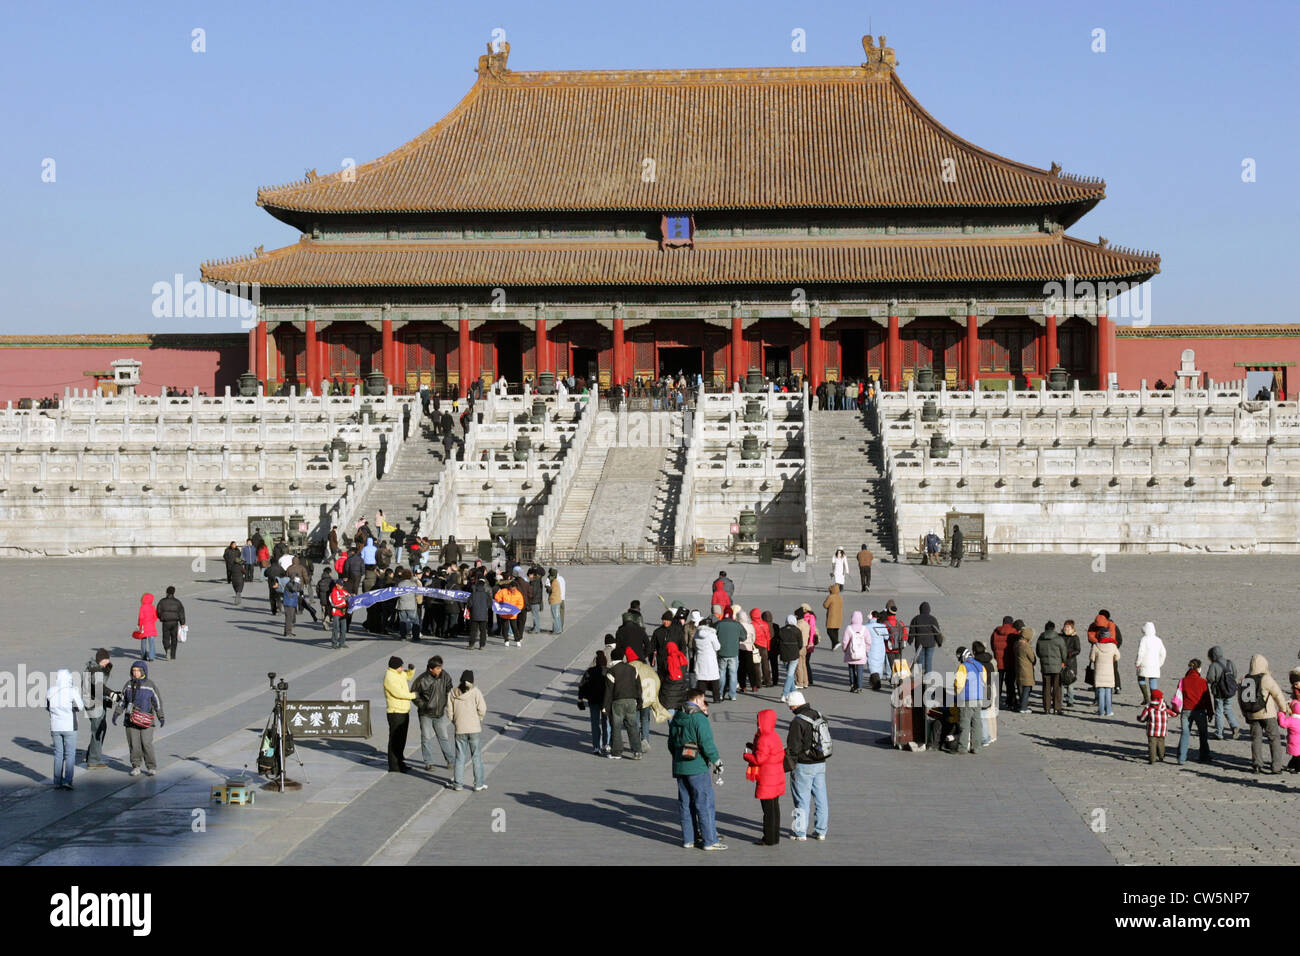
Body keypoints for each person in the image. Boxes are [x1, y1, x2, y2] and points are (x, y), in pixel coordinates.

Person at [668, 688, 726, 850]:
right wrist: (716, 761)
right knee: (704, 803)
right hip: (697, 766)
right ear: (697, 699)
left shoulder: (677, 717)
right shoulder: (699, 719)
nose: (703, 702)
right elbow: (706, 743)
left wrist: (679, 757)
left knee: (685, 804)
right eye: (702, 699)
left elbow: (671, 744)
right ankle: (710, 840)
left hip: (680, 766)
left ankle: (689, 839)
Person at [785, 691, 830, 841]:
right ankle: (821, 830)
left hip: (804, 765)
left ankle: (800, 832)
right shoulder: (819, 714)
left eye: (791, 706)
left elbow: (793, 747)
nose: (790, 709)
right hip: (820, 762)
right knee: (821, 798)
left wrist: (789, 763)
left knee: (801, 799)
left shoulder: (798, 721)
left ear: (795, 704)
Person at [743, 708, 787, 846]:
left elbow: (759, 759)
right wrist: (753, 746)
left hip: (767, 778)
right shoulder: (774, 735)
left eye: (759, 720)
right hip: (776, 777)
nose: (757, 723)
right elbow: (769, 753)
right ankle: (775, 837)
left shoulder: (763, 738)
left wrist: (747, 756)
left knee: (767, 811)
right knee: (774, 808)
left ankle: (768, 838)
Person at [112, 660, 164, 776]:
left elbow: (157, 702)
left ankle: (151, 767)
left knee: (146, 743)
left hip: (146, 720)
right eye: (134, 670)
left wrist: (161, 716)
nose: (135, 673)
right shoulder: (128, 685)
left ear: (143, 671)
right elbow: (123, 701)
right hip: (131, 720)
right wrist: (116, 714)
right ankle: (136, 766)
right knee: (134, 745)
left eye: (138, 671)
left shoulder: (150, 685)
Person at [1241, 654, 1288, 774]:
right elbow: (1277, 694)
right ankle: (1276, 766)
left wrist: (1245, 713)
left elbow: (1240, 699)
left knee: (1256, 739)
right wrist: (1283, 709)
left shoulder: (1244, 679)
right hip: (1267, 714)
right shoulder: (1266, 678)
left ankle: (1257, 764)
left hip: (1251, 714)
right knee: (1274, 739)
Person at [412, 656, 456, 773]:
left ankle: (451, 761)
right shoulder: (422, 679)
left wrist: (448, 700)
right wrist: (423, 705)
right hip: (425, 714)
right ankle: (429, 763)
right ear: (431, 669)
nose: (440, 670)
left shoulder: (445, 676)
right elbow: (414, 695)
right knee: (426, 738)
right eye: (438, 668)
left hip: (440, 713)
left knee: (444, 738)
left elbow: (449, 688)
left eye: (441, 667)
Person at [446, 670, 488, 791]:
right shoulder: (475, 692)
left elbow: (449, 711)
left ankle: (458, 784)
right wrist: (478, 719)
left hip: (460, 729)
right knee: (476, 756)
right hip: (474, 729)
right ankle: (478, 784)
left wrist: (455, 721)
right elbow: (482, 708)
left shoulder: (453, 693)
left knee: (460, 757)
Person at [46, 668, 85, 790]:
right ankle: (68, 780)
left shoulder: (50, 691)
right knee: (70, 754)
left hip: (55, 727)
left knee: (58, 754)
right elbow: (81, 706)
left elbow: (47, 707)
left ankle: (57, 781)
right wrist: (72, 709)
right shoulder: (72, 691)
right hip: (69, 726)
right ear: (69, 679)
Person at [603, 648, 644, 759]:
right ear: (622, 657)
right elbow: (638, 686)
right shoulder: (632, 669)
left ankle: (617, 752)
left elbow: (608, 691)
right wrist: (640, 700)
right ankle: (637, 751)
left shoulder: (611, 671)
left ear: (612, 657)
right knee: (632, 726)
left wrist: (605, 707)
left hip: (618, 702)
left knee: (616, 727)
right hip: (631, 701)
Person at [1175, 659, 1213, 765]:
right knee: (1203, 734)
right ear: (1198, 668)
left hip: (1186, 710)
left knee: (1185, 733)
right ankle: (1204, 756)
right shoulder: (1202, 682)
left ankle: (1181, 758)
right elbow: (1207, 699)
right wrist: (1210, 712)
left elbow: (1179, 695)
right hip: (1200, 711)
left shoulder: (1183, 680)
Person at [383, 657, 417, 773]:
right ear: (394, 667)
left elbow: (407, 677)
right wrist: (414, 695)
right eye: (400, 666)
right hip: (395, 712)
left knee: (402, 740)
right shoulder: (390, 677)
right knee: (395, 740)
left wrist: (411, 671)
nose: (402, 668)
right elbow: (399, 693)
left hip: (404, 711)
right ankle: (394, 766)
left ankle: (400, 762)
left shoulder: (399, 673)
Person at [952, 647, 986, 755]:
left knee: (965, 723)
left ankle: (962, 748)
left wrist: (957, 694)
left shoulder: (963, 667)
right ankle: (976, 747)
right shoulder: (980, 665)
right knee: (976, 723)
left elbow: (959, 683)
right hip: (978, 697)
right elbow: (984, 680)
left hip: (967, 698)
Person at [83, 649, 113, 769]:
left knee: (100, 728)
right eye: (107, 660)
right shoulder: (96, 671)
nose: (108, 662)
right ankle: (93, 761)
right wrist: (111, 694)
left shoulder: (93, 668)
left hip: (92, 702)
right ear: (102, 659)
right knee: (98, 730)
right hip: (94, 704)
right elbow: (99, 687)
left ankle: (91, 756)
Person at [578, 652, 612, 755]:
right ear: (605, 662)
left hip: (593, 701)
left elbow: (582, 686)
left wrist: (580, 699)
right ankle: (607, 744)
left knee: (595, 723)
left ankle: (596, 746)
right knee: (606, 723)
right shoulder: (608, 672)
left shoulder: (589, 671)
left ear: (596, 662)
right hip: (606, 701)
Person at [1205, 646, 1241, 740]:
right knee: (1228, 709)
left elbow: (1210, 678)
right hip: (1230, 690)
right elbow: (1235, 674)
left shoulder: (1214, 665)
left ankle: (1219, 733)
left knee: (1219, 712)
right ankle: (1235, 726)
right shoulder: (1230, 663)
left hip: (1219, 692)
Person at [1137, 688, 1176, 764]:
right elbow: (1173, 714)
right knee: (1161, 743)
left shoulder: (1149, 708)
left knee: (1152, 744)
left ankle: (1152, 759)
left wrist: (1139, 718)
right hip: (1162, 730)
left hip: (1152, 731)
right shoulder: (1165, 708)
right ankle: (1161, 756)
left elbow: (1142, 718)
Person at [1036, 621, 1067, 715]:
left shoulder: (1040, 639)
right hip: (1057, 667)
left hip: (1045, 667)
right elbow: (1064, 653)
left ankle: (1046, 708)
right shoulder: (1059, 639)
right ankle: (1057, 708)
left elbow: (1038, 652)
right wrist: (1063, 661)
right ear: (1054, 629)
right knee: (1057, 688)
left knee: (1046, 688)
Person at [715, 606, 744, 701]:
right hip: (733, 653)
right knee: (733, 674)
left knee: (721, 673)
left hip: (721, 653)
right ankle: (732, 695)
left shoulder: (718, 624)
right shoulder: (737, 624)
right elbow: (744, 637)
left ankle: (720, 694)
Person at [908, 601, 943, 679]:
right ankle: (928, 676)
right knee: (929, 660)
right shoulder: (933, 619)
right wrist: (939, 641)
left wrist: (910, 640)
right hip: (930, 644)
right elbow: (937, 632)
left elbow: (912, 631)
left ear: (920, 609)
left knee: (920, 660)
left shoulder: (915, 619)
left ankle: (920, 675)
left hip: (919, 644)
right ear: (929, 610)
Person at [1089, 632, 1121, 716]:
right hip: (1109, 671)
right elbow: (1118, 656)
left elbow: (1092, 658)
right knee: (1108, 691)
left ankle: (1101, 711)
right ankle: (1109, 711)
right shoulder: (1113, 646)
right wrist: (1112, 659)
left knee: (1101, 692)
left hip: (1099, 671)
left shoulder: (1096, 646)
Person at [1135, 622, 1167, 704]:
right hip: (1155, 665)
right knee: (1153, 681)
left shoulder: (1144, 639)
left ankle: (1146, 698)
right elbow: (1163, 653)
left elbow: (1140, 653)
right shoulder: (1158, 640)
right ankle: (1154, 699)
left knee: (1141, 679)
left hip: (1144, 664)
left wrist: (1137, 662)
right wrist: (1160, 663)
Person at [839, 610, 869, 693]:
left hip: (851, 653)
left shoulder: (849, 628)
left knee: (851, 669)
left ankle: (853, 685)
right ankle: (859, 687)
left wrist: (845, 650)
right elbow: (869, 641)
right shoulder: (864, 628)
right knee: (860, 670)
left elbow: (845, 641)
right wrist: (866, 650)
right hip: (861, 653)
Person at [694, 617, 722, 702]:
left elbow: (694, 646)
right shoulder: (712, 635)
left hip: (700, 658)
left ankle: (700, 699)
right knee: (714, 680)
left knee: (701, 680)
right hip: (710, 659)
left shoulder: (697, 634)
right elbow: (717, 647)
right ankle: (716, 698)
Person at [493, 578, 524, 647]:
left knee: (514, 628)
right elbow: (497, 596)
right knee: (505, 628)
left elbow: (520, 604)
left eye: (514, 589)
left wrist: (516, 610)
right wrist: (500, 601)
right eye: (512, 588)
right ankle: (506, 640)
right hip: (504, 614)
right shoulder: (503, 591)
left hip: (512, 615)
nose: (513, 590)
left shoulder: (518, 594)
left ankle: (517, 640)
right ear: (509, 587)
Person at [1015, 625, 1037, 713]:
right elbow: (1032, 658)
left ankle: (1021, 705)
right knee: (1026, 689)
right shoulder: (1026, 646)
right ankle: (1023, 707)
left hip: (1018, 668)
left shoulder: (1016, 644)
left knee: (1021, 688)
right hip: (1026, 670)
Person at [1061, 621, 1081, 708]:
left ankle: (1070, 700)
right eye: (1065, 626)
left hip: (1071, 663)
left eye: (1068, 627)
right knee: (1060, 682)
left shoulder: (1075, 638)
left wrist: (1070, 654)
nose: (1066, 628)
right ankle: (1060, 700)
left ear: (1072, 628)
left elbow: (1078, 650)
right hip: (1061, 662)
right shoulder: (1060, 636)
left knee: (1070, 683)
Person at [1277, 700, 1300, 773]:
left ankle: (1295, 768)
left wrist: (1281, 713)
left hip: (1293, 742)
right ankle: (1292, 767)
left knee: (1296, 757)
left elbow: (1282, 723)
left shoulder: (1291, 720)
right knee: (1297, 757)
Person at [468, 578, 491, 649]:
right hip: (484, 615)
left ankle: (471, 644)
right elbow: (490, 605)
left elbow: (469, 604)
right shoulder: (486, 595)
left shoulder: (473, 594)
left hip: (474, 615)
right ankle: (482, 645)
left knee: (473, 631)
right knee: (483, 631)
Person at [328, 576, 350, 648]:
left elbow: (349, 596)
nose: (342, 586)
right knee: (336, 628)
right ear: (337, 584)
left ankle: (342, 642)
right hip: (336, 612)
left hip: (343, 612)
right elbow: (336, 602)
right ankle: (334, 643)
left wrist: (350, 597)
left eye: (342, 585)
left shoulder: (343, 591)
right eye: (340, 585)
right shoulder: (334, 593)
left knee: (343, 628)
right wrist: (344, 599)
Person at [135, 593, 159, 662]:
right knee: (151, 642)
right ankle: (151, 657)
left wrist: (139, 624)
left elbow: (140, 617)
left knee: (143, 641)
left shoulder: (142, 607)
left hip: (143, 626)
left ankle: (143, 656)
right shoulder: (152, 607)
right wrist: (152, 621)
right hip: (151, 626)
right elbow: (155, 617)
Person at [823, 583, 843, 653]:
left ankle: (836, 642)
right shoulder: (840, 597)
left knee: (829, 631)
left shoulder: (830, 597)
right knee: (835, 631)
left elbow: (825, 605)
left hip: (832, 617)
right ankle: (834, 646)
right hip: (838, 617)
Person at [547, 568, 565, 633]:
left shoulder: (555, 581)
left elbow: (552, 591)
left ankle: (557, 630)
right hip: (560, 599)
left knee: (555, 616)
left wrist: (548, 588)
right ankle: (559, 629)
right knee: (558, 616)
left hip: (555, 601)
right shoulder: (560, 579)